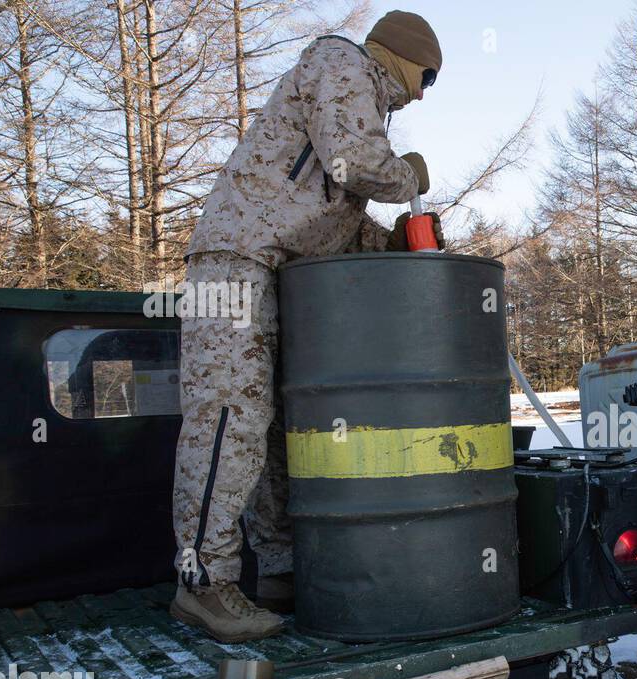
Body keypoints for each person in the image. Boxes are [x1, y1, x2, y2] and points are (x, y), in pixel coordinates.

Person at [170, 11, 443, 643]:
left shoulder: (352, 103)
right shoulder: (340, 62)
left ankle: (279, 569)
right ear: (402, 59)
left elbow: (332, 218)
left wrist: (393, 240)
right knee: (228, 416)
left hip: (277, 271)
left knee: (272, 431)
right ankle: (201, 581)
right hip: (236, 262)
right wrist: (408, 178)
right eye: (427, 77)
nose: (424, 94)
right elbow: (356, 163)